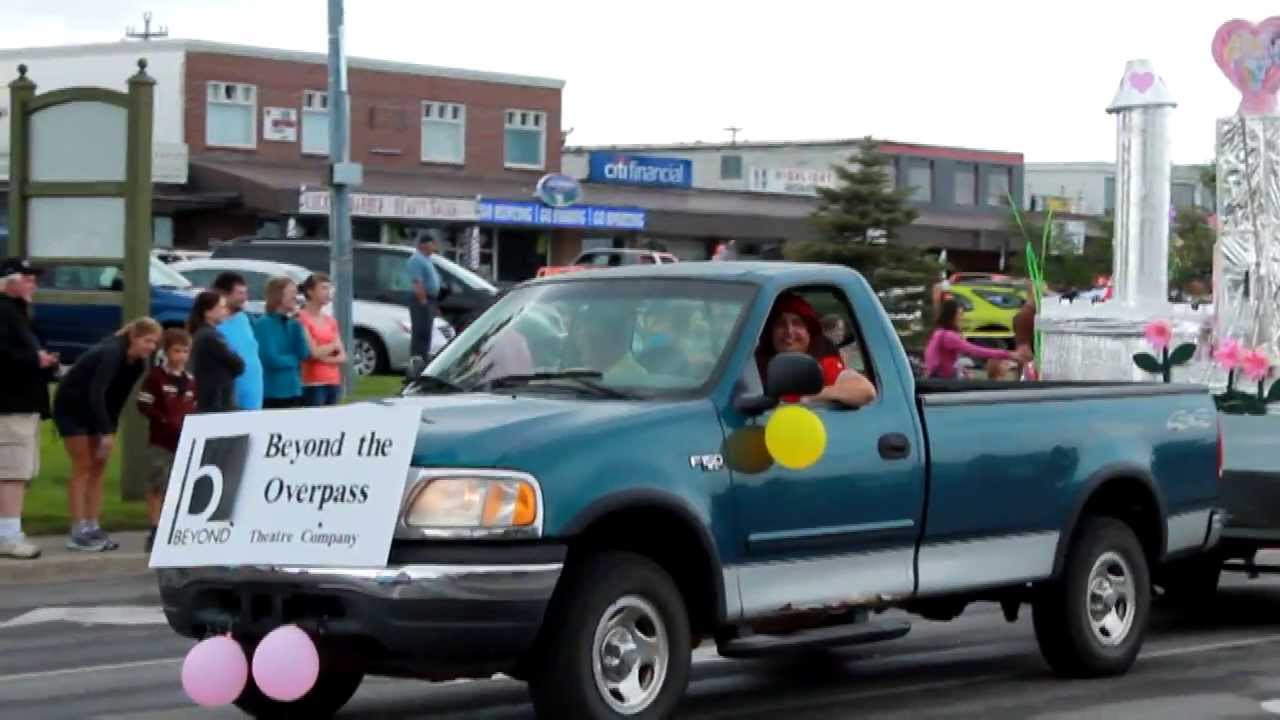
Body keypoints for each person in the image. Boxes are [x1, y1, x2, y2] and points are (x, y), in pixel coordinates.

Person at [52, 317, 162, 552]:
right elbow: (96, 392)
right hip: (72, 408)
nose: (151, 347)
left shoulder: (137, 363)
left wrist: (110, 430)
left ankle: (93, 524)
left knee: (99, 466)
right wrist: (106, 431)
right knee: (83, 465)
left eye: (155, 343)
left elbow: (117, 398)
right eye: (147, 341)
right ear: (134, 337)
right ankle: (77, 530)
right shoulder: (112, 352)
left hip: (97, 410)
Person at [0, 258, 60, 559]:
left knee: (19, 471)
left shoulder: (20, 313)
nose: (33, 283)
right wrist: (34, 361)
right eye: (27, 278)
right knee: (11, 472)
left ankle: (10, 530)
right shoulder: (3, 311)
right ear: (7, 280)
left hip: (24, 403)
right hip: (8, 405)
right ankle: (8, 536)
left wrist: (46, 363)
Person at [756, 293, 876, 408]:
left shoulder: (823, 367)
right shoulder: (752, 368)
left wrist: (812, 397)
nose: (789, 331)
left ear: (809, 333)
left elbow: (865, 390)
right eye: (781, 324)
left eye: (797, 323)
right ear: (770, 333)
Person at [136, 328, 197, 552]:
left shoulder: (190, 381)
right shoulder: (156, 377)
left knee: (177, 486)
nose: (180, 356)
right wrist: (162, 419)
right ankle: (154, 529)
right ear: (167, 352)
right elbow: (143, 404)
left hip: (183, 441)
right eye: (176, 351)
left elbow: (194, 406)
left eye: (185, 351)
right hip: (161, 441)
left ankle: (173, 527)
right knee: (156, 485)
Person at [924, 298, 1025, 380]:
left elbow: (941, 359)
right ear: (951, 316)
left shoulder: (939, 332)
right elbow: (977, 351)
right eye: (959, 314)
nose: (961, 318)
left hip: (938, 376)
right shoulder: (948, 336)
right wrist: (1008, 354)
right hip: (943, 379)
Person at [254, 276, 312, 409]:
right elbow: (271, 359)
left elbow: (304, 353)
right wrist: (294, 360)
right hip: (274, 393)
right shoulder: (264, 324)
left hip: (295, 390)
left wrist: (299, 325)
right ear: (278, 295)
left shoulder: (292, 324)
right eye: (291, 293)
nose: (295, 297)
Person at [212, 272, 263, 411]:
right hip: (229, 399)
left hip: (254, 396)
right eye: (239, 293)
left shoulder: (244, 318)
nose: (245, 298)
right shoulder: (213, 326)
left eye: (245, 293)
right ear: (223, 294)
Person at [188, 290, 245, 413]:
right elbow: (238, 364)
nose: (225, 311)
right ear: (208, 312)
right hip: (216, 403)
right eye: (221, 307)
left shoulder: (201, 334)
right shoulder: (211, 336)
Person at [297, 273, 346, 406]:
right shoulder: (302, 318)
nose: (328, 293)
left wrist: (323, 356)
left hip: (333, 381)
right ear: (310, 291)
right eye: (323, 288)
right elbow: (312, 352)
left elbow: (342, 356)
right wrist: (331, 347)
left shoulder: (330, 320)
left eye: (329, 289)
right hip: (313, 383)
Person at [406, 230, 442, 369]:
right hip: (421, 300)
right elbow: (417, 283)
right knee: (420, 332)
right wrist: (424, 302)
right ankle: (416, 363)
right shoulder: (416, 260)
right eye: (433, 244)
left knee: (426, 333)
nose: (435, 247)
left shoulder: (427, 259)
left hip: (430, 299)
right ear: (425, 245)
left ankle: (423, 362)